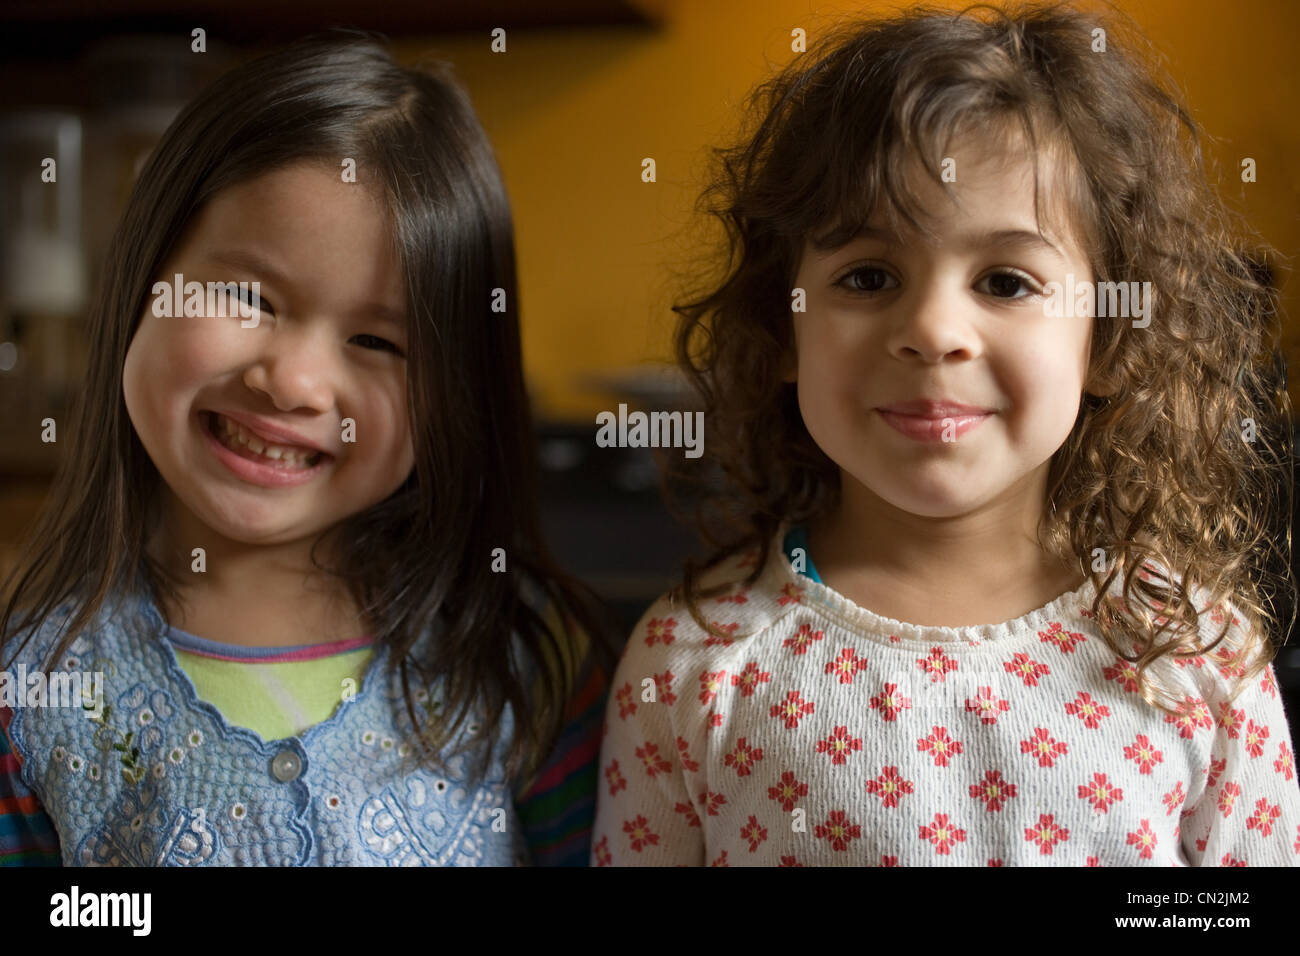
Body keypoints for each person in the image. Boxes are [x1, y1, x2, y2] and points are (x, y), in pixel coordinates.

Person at [592, 2, 1300, 866]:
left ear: (1109, 339)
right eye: (868, 275)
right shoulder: (691, 664)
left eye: (1005, 281)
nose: (932, 329)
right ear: (783, 326)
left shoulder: (1196, 656)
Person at [0, 31, 612, 867]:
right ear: (141, 274)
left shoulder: (523, 665)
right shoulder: (35, 687)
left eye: (377, 341)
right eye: (247, 296)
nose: (292, 382)